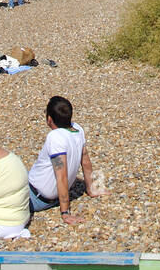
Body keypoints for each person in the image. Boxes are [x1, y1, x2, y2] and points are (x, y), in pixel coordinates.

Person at [27, 96, 105, 224]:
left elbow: (61, 175)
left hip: (36, 196)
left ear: (49, 119)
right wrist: (91, 188)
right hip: (51, 195)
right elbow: (85, 161)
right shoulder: (77, 130)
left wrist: (65, 213)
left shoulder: (55, 137)